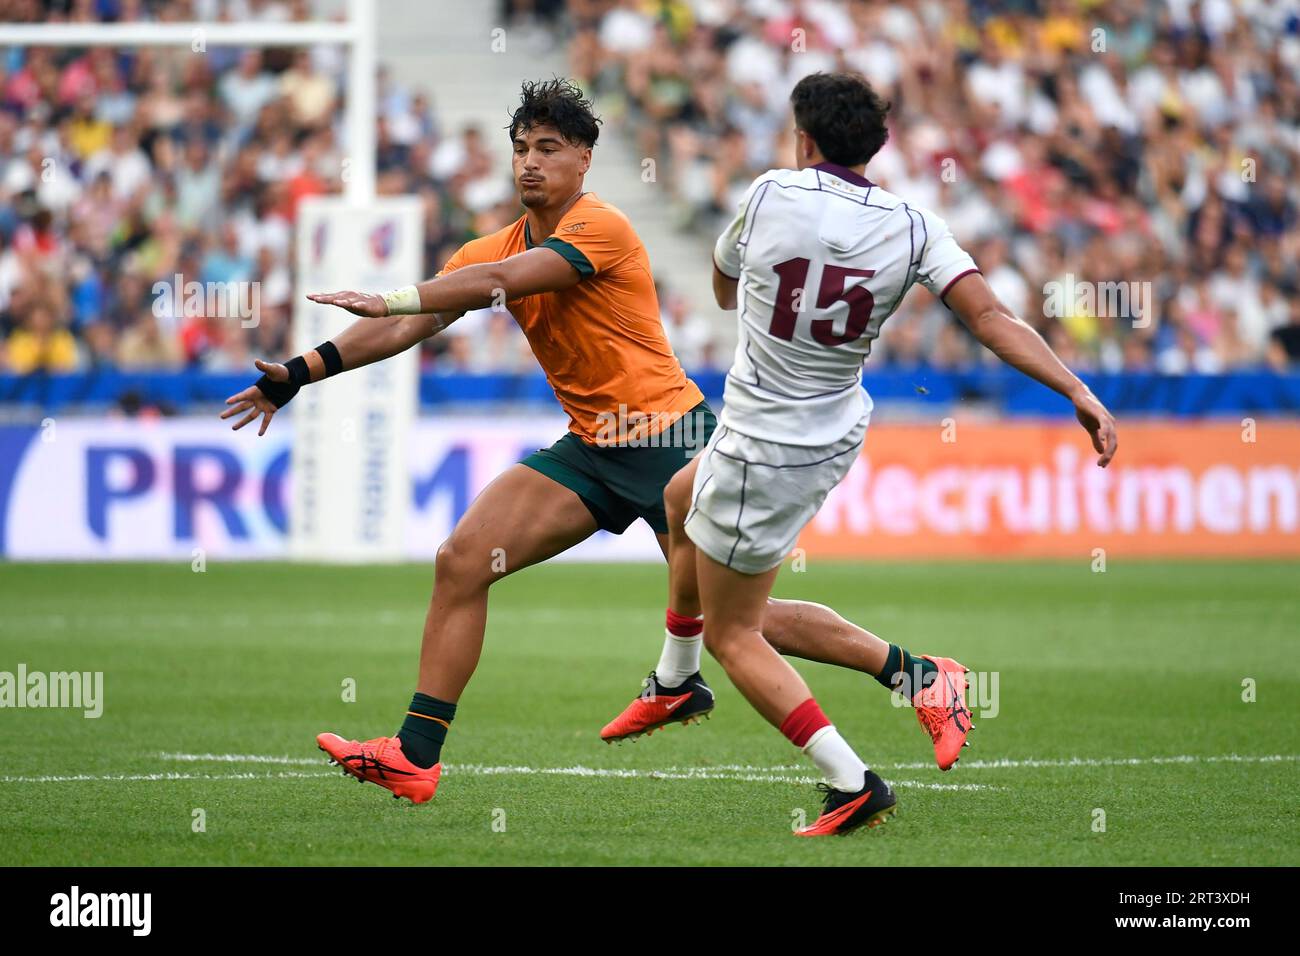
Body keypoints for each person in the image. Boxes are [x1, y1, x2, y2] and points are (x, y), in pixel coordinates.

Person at [221, 79, 961, 805]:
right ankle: (415, 757)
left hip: (674, 440)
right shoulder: (494, 246)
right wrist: (299, 371)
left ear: (584, 161)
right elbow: (409, 324)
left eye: (548, 147)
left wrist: (396, 292)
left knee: (746, 623)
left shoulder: (599, 227)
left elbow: (500, 282)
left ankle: (918, 675)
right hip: (592, 450)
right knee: (462, 561)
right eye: (520, 148)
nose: (529, 162)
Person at [654, 71, 1117, 835]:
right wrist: (1078, 390)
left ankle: (852, 782)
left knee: (739, 630)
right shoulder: (914, 226)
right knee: (678, 500)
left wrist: (743, 284)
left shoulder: (771, 193)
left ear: (803, 138)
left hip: (769, 442)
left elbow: (723, 287)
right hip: (828, 430)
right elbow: (991, 317)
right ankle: (694, 679)